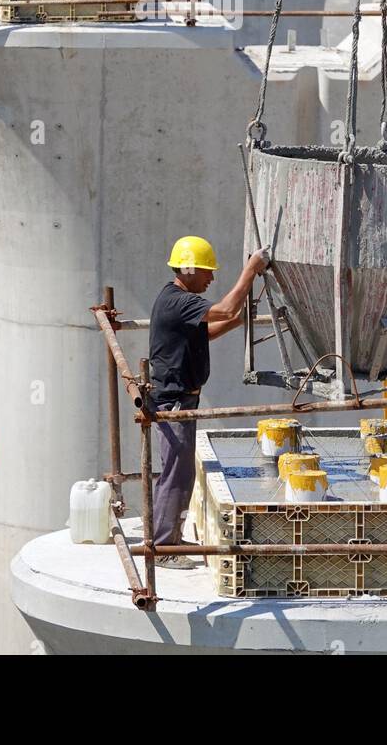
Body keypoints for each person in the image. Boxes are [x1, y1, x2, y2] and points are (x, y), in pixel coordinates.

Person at [148, 235, 269, 568]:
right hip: (175, 402)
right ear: (188, 270)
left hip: (181, 400)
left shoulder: (177, 301)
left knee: (180, 471)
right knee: (176, 473)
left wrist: (243, 310)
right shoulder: (178, 301)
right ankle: (164, 546)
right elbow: (226, 308)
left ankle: (169, 538)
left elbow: (213, 328)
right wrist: (251, 270)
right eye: (206, 272)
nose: (211, 278)